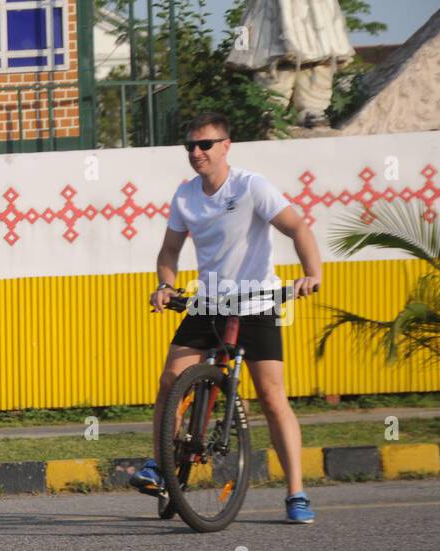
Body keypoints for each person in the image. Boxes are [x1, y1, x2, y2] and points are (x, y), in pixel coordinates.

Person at [131, 112, 322, 523]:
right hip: (209, 303)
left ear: (226, 146)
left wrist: (312, 274)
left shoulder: (252, 187)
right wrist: (167, 286)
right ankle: (160, 465)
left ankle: (296, 493)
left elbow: (298, 228)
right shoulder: (186, 196)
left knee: (272, 398)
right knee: (170, 381)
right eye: (190, 146)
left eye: (205, 145)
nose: (196, 153)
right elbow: (168, 254)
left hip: (257, 303)